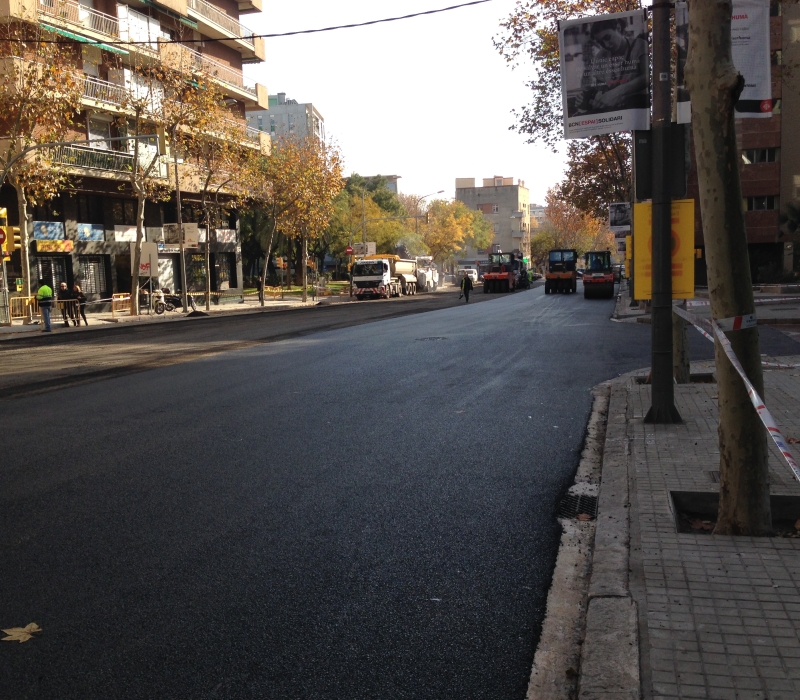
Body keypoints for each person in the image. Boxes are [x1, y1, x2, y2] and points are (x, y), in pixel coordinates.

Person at [577, 19, 648, 115]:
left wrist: (618, 92)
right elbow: (601, 88)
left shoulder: (639, 45)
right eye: (600, 42)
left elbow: (647, 77)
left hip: (638, 109)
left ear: (618, 28)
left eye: (607, 37)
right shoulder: (600, 56)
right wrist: (586, 97)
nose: (606, 45)